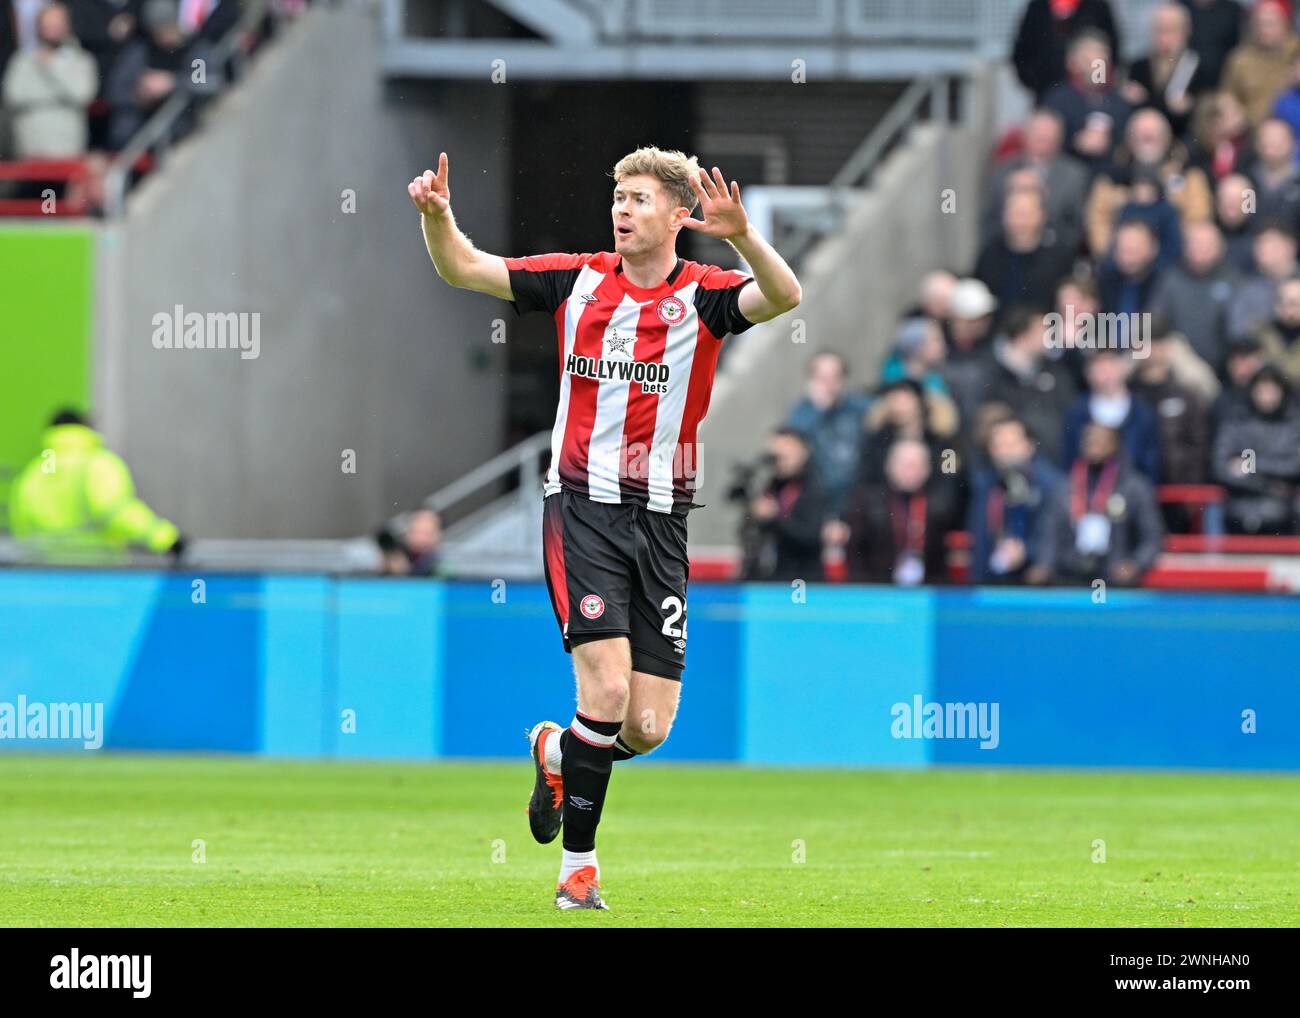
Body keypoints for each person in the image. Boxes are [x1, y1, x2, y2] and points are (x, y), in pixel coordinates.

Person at [408, 146, 801, 910]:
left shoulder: (708, 295)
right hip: (583, 507)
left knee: (647, 726)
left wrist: (745, 237)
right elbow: (465, 268)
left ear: (679, 215)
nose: (622, 209)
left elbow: (783, 297)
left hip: (664, 521)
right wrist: (439, 219)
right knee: (609, 691)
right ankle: (577, 872)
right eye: (617, 195)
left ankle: (558, 751)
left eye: (640, 198)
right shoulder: (576, 278)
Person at [8, 409, 183, 562]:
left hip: (46, 577)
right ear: (84, 428)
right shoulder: (97, 465)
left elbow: (22, 530)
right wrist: (165, 538)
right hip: (97, 572)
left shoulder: (32, 473)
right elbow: (117, 511)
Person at [1029, 421, 1165, 585]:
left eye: (1101, 440)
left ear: (1115, 444)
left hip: (1115, 578)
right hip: (1069, 575)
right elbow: (1049, 532)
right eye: (1089, 440)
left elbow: (1152, 537)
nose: (1093, 445)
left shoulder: (1135, 487)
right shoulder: (1065, 486)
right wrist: (1044, 565)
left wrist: (1135, 565)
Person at [832, 438, 960, 586]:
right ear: (889, 466)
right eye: (906, 465)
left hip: (927, 590)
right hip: (878, 589)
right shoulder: (867, 502)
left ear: (928, 469)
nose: (911, 472)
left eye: (918, 465)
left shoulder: (940, 504)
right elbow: (855, 553)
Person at [967, 414, 1064, 584]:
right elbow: (979, 535)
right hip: (992, 580)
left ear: (1029, 446)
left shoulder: (1050, 483)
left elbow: (1056, 532)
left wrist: (1029, 551)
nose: (1004, 452)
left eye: (1011, 445)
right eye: (998, 446)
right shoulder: (984, 484)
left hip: (1037, 582)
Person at [1211, 363, 1300, 532]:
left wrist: (1251, 464)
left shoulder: (1294, 425)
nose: (1266, 396)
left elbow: (1295, 465)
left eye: (1271, 390)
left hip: (1286, 516)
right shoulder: (1236, 423)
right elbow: (1221, 468)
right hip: (1237, 511)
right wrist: (1270, 487)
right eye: (1261, 389)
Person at [1, 2, 97, 159]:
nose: (52, 28)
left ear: (67, 25)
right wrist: (57, 98)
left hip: (67, 146)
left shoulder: (81, 60)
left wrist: (50, 68)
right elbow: (13, 95)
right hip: (30, 145)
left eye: (57, 23)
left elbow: (81, 94)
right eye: (48, 23)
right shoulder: (23, 60)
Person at [783, 350, 872, 516]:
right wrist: (818, 409)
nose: (829, 384)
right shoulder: (801, 413)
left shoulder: (858, 407)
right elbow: (793, 447)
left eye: (835, 377)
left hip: (854, 500)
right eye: (822, 378)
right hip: (814, 502)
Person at [1147, 219, 1241, 370]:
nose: (1200, 249)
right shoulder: (1171, 280)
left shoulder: (1233, 281)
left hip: (1223, 368)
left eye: (1207, 244)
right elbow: (1155, 320)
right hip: (1177, 369)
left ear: (1220, 248)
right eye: (1195, 243)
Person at [1062, 348, 1163, 484]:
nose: (1107, 373)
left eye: (1111, 364)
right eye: (1100, 366)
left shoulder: (1143, 413)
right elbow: (1070, 461)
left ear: (1123, 368)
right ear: (1088, 372)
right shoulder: (1076, 413)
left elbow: (1151, 463)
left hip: (1133, 494)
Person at [746, 428, 828, 582]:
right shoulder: (772, 485)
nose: (779, 462)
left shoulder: (813, 486)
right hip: (772, 578)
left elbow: (809, 535)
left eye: (785, 455)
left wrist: (774, 517)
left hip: (802, 580)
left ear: (803, 453)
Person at [1125, 3, 1210, 138]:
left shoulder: (1199, 69)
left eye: (1171, 30)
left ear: (1186, 32)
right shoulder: (1138, 67)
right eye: (1159, 30)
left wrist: (1191, 106)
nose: (1163, 38)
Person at [1012, 0, 1122, 102]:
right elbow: (1023, 52)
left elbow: (1111, 51)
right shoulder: (1038, 7)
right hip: (1047, 93)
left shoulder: (1097, 6)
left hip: (1090, 95)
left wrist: (1099, 84)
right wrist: (1037, 83)